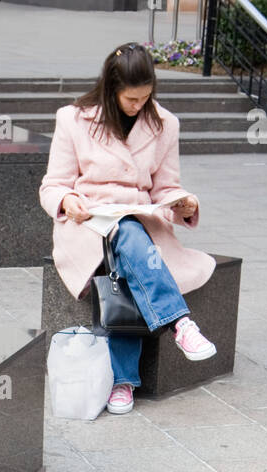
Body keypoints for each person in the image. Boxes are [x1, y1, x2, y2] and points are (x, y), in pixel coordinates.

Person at [40, 43, 217, 415]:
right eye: (131, 99)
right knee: (126, 238)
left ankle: (122, 382)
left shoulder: (165, 124)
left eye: (145, 98)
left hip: (138, 217)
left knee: (128, 249)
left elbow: (166, 187)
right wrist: (67, 202)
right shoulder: (73, 119)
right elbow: (53, 184)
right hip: (88, 221)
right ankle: (179, 323)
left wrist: (183, 203)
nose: (138, 106)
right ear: (111, 88)